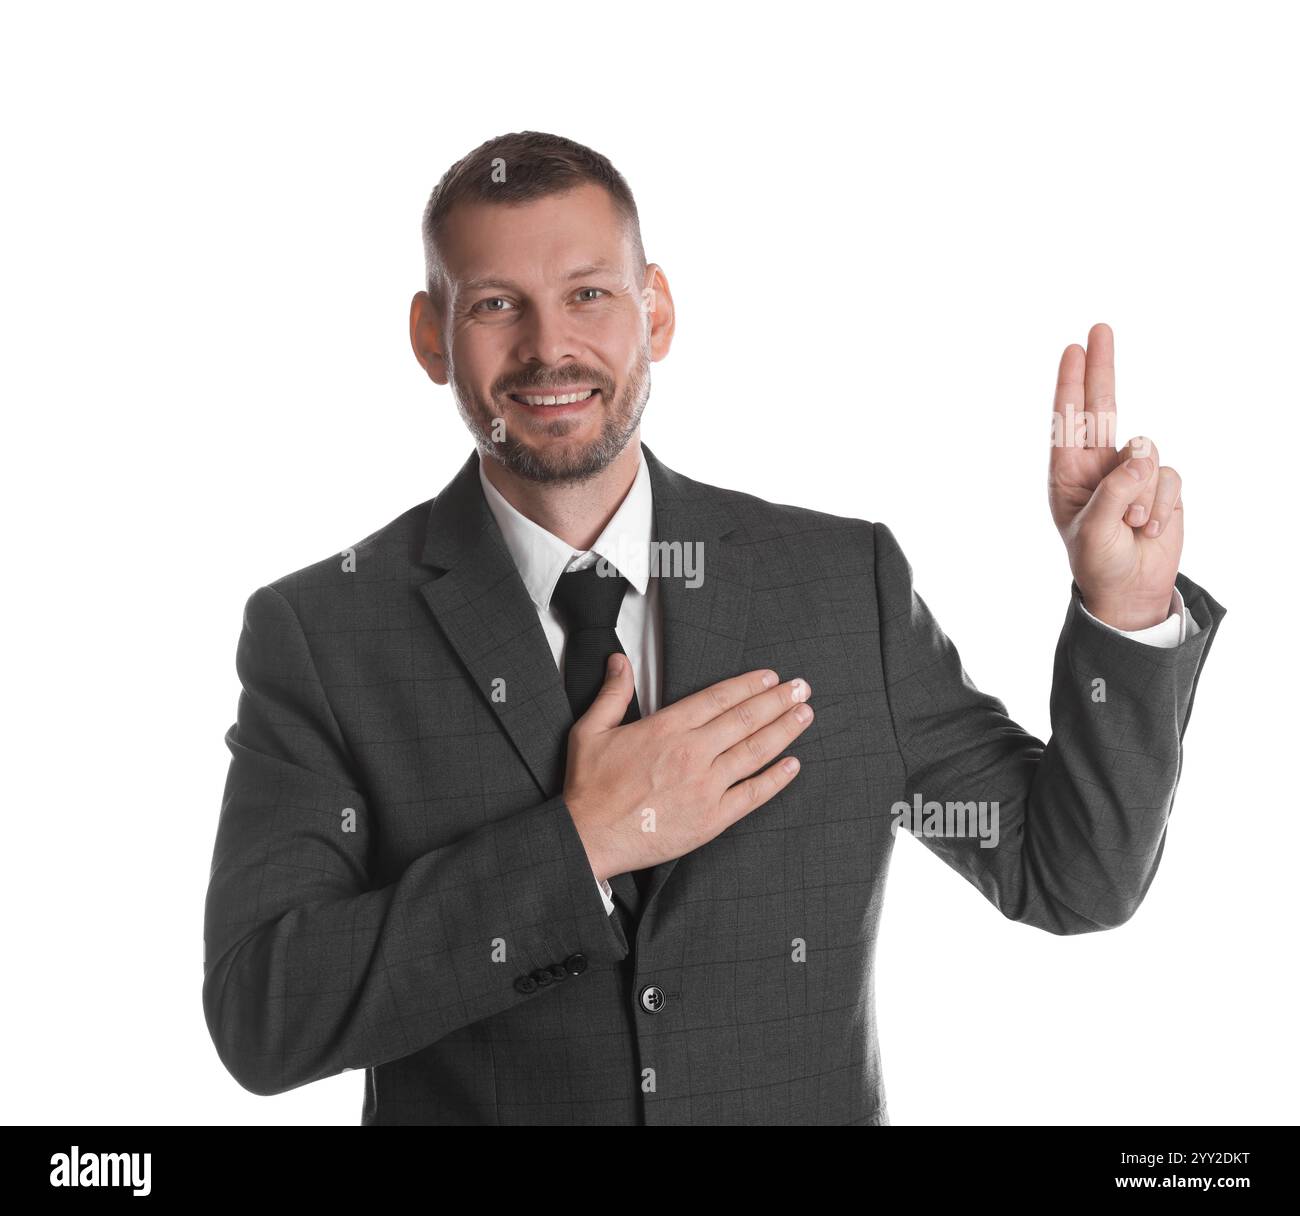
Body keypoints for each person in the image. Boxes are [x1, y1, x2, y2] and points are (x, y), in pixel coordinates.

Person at [202, 130, 1225, 1125]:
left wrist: (1122, 611)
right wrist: (579, 843)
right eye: (497, 304)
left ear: (656, 311)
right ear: (432, 335)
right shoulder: (324, 630)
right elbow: (264, 1011)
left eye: (589, 294)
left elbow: (1070, 874)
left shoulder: (839, 585)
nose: (549, 345)